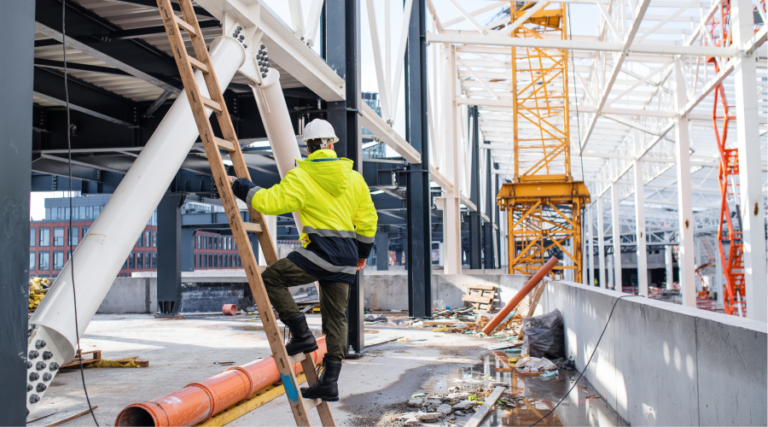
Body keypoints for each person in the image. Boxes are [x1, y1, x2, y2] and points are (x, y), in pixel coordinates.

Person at [228, 118, 377, 402]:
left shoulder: (302, 176)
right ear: (331, 144)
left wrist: (241, 186)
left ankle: (301, 334)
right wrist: (362, 254)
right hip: (346, 258)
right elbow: (368, 220)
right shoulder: (354, 178)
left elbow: (269, 202)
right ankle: (329, 383)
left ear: (308, 147)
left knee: (271, 277)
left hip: (320, 253)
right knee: (336, 320)